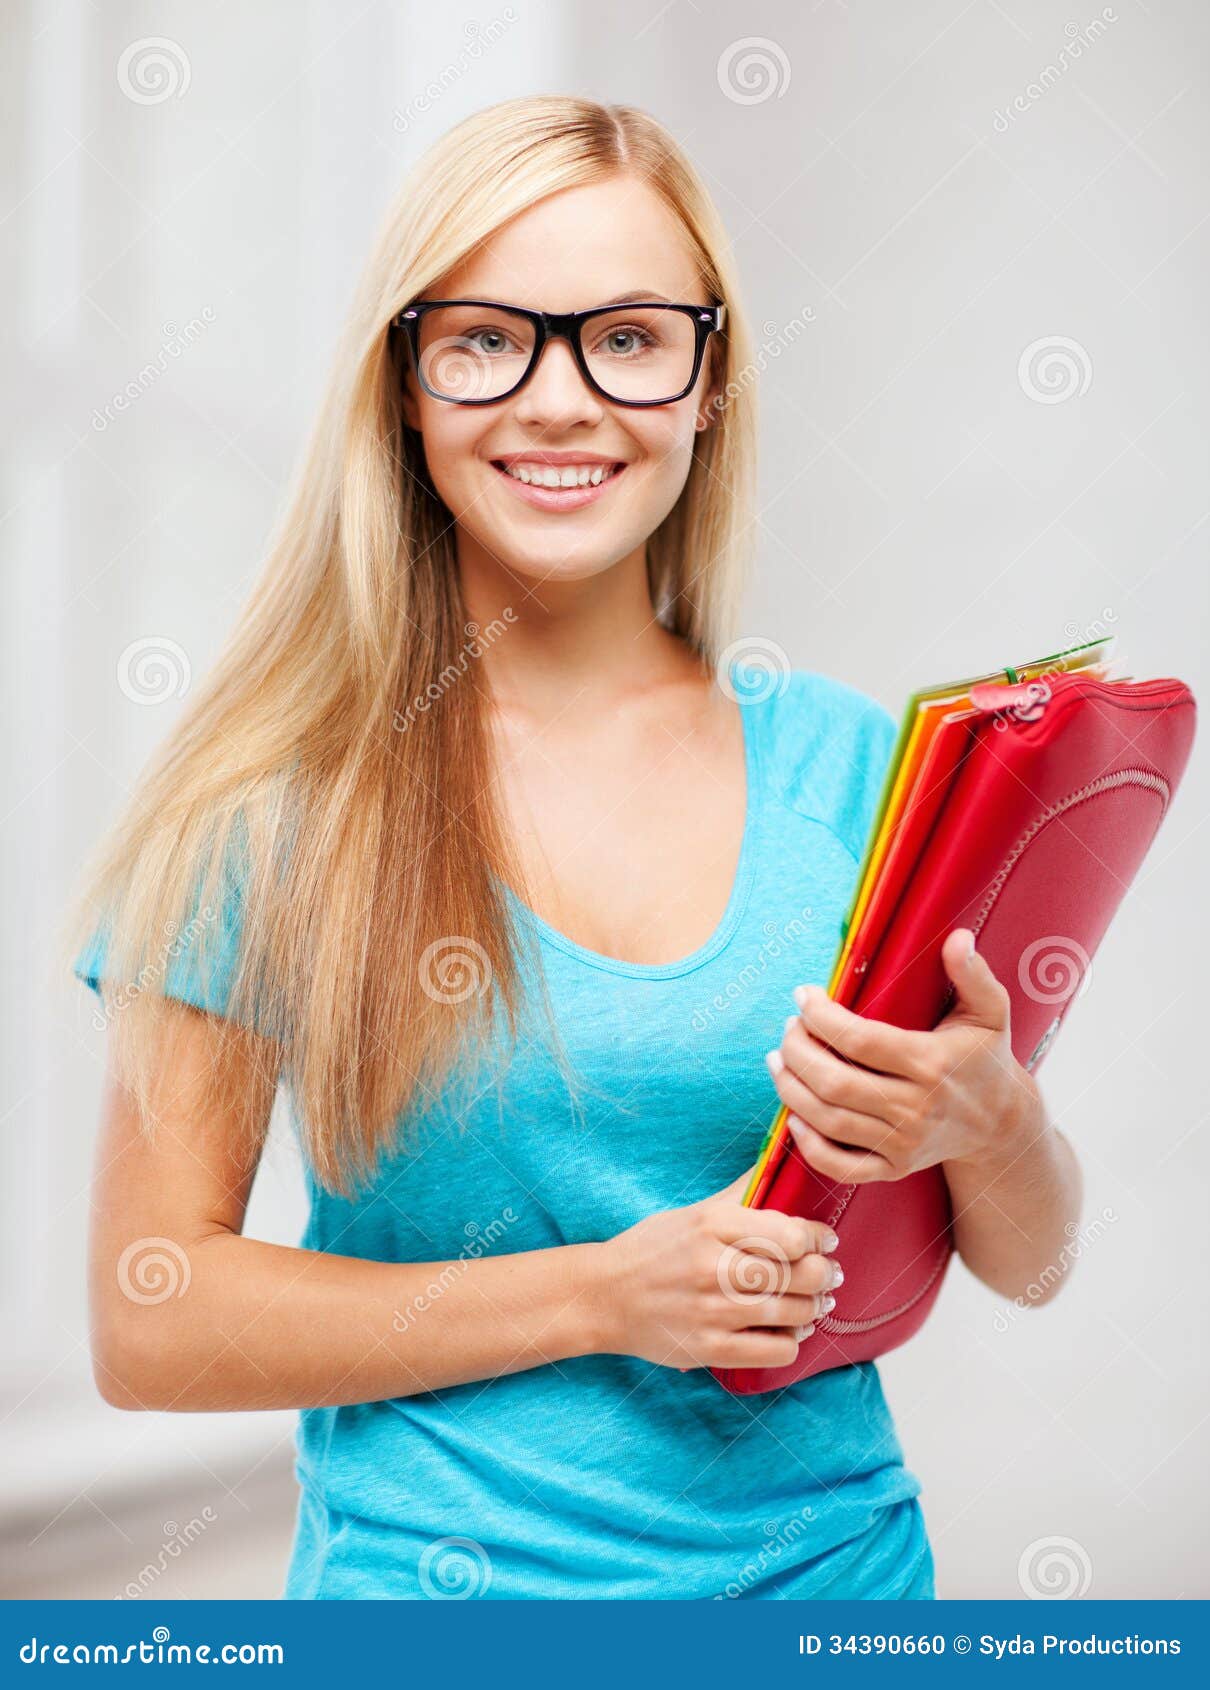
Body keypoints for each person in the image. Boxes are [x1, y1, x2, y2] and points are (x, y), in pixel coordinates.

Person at [67, 95, 1080, 1601]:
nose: (557, 399)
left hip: (840, 1598)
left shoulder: (855, 766)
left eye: (624, 337)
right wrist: (605, 1295)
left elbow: (1027, 1259)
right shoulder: (269, 803)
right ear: (405, 386)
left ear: (705, 382)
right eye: (485, 338)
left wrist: (992, 1123)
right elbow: (150, 1323)